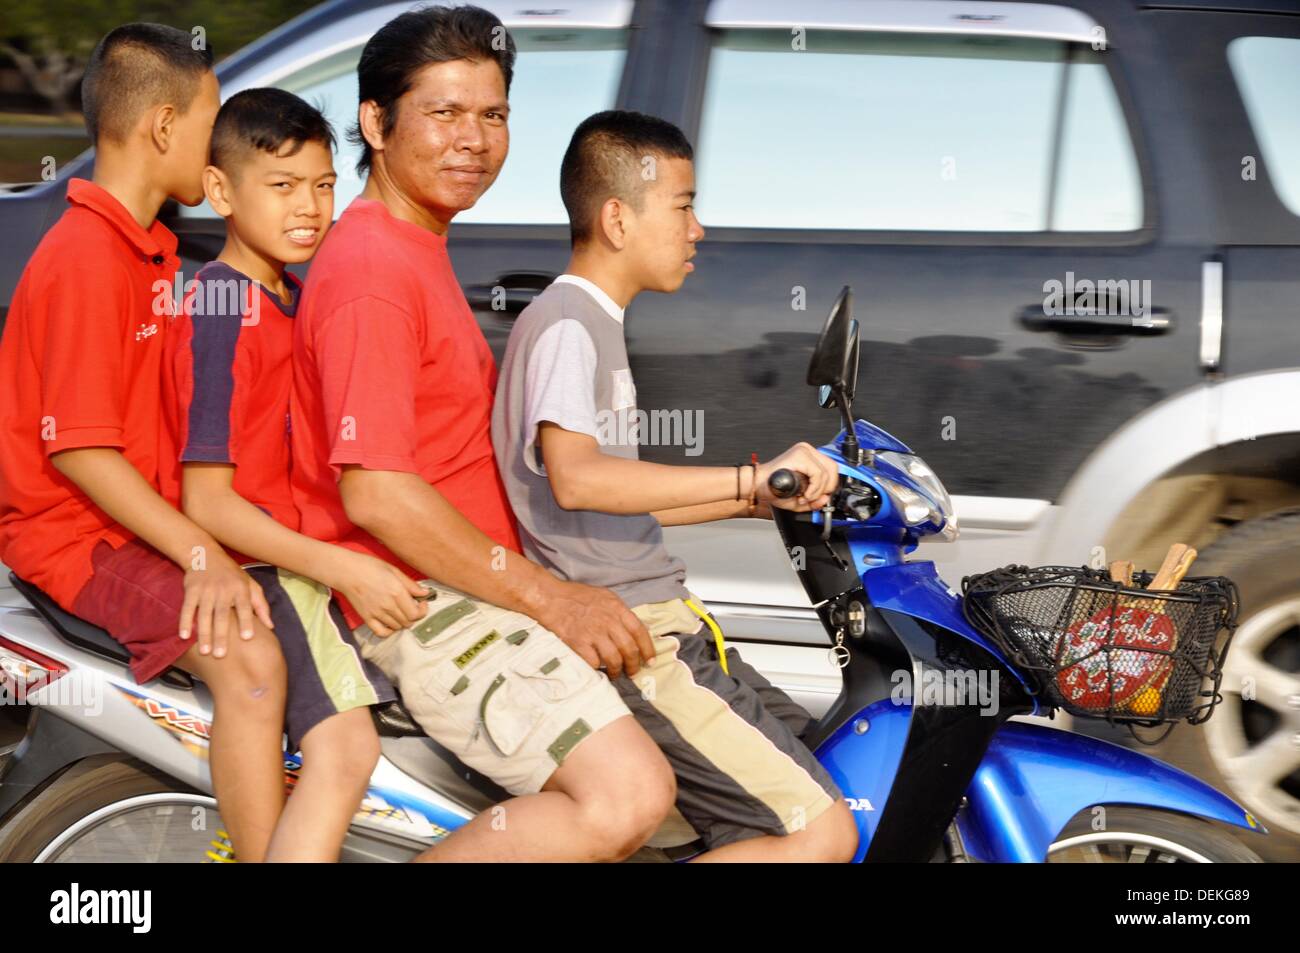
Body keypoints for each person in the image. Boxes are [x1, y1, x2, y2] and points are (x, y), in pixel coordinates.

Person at [289, 5, 675, 862]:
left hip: (479, 580)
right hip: (427, 603)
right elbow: (378, 490)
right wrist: (552, 597)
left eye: (493, 115)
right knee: (630, 794)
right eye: (445, 113)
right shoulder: (372, 276)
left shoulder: (412, 244)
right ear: (376, 123)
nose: (474, 139)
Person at [492, 110, 860, 861]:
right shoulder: (566, 322)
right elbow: (578, 477)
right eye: (685, 206)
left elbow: (627, 495)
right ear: (618, 219)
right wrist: (744, 475)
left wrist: (760, 498)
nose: (698, 230)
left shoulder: (592, 324)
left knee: (833, 766)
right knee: (820, 832)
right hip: (639, 642)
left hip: (674, 625)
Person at [0, 24, 291, 861]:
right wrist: (203, 552)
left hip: (138, 525)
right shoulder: (87, 257)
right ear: (164, 128)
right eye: (211, 123)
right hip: (78, 541)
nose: (218, 147)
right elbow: (80, 452)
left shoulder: (152, 250)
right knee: (250, 659)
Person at [159, 87, 429, 860]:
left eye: (322, 184)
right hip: (270, 570)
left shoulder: (295, 295)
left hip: (304, 554)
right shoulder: (220, 309)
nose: (308, 207)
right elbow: (208, 497)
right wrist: (342, 564)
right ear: (220, 192)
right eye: (280, 187)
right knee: (346, 751)